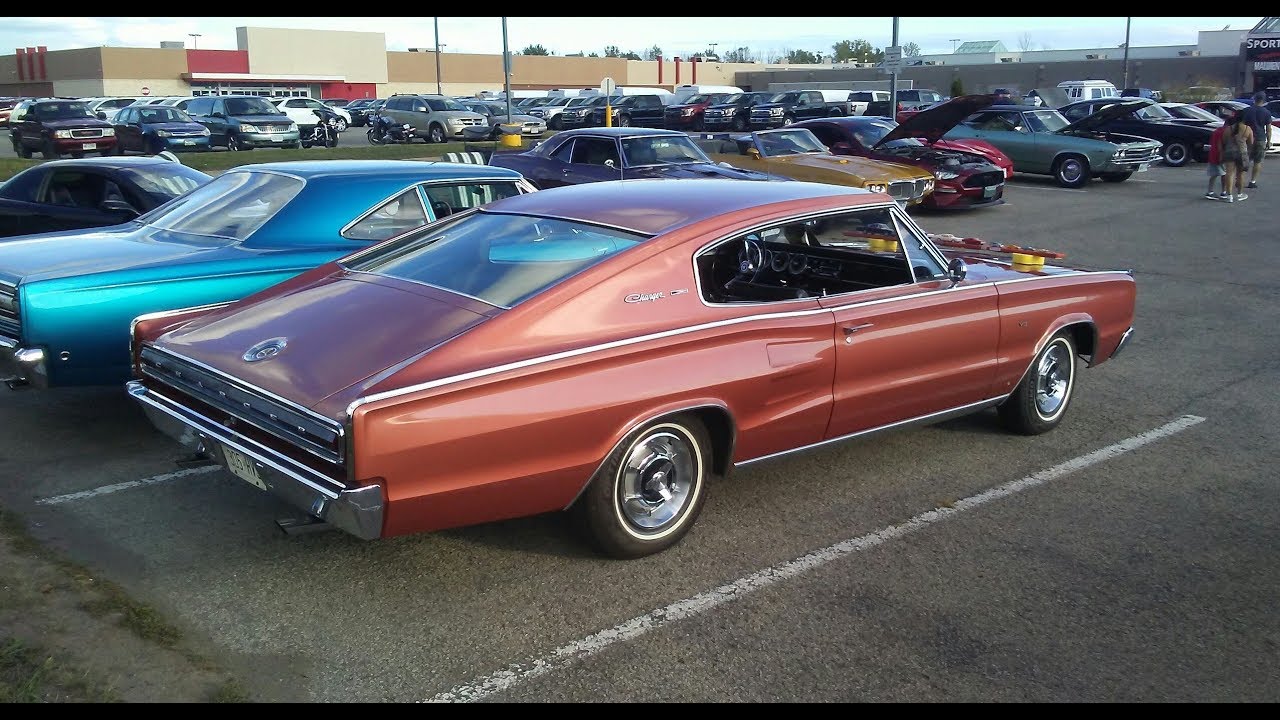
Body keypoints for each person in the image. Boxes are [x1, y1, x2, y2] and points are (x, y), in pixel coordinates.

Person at [1239, 91, 1273, 188]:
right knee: (1258, 161)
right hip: (1260, 138)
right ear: (1264, 100)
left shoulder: (1246, 111)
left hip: (1246, 138)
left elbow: (1241, 125)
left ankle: (1240, 179)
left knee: (1244, 160)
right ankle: (1252, 181)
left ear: (1254, 99)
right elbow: (1268, 129)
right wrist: (1268, 141)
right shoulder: (1266, 112)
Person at [1219, 113, 1253, 203]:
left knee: (1229, 173)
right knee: (1240, 174)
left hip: (1229, 152)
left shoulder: (1228, 129)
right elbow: (1251, 142)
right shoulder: (1247, 129)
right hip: (1242, 153)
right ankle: (1239, 194)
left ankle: (1229, 195)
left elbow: (1224, 141)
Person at [1205, 120, 1227, 199]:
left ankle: (1210, 191)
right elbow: (1222, 145)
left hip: (1213, 154)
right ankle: (1223, 191)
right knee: (1224, 174)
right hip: (1220, 155)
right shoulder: (1225, 132)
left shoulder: (1217, 131)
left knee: (1215, 174)